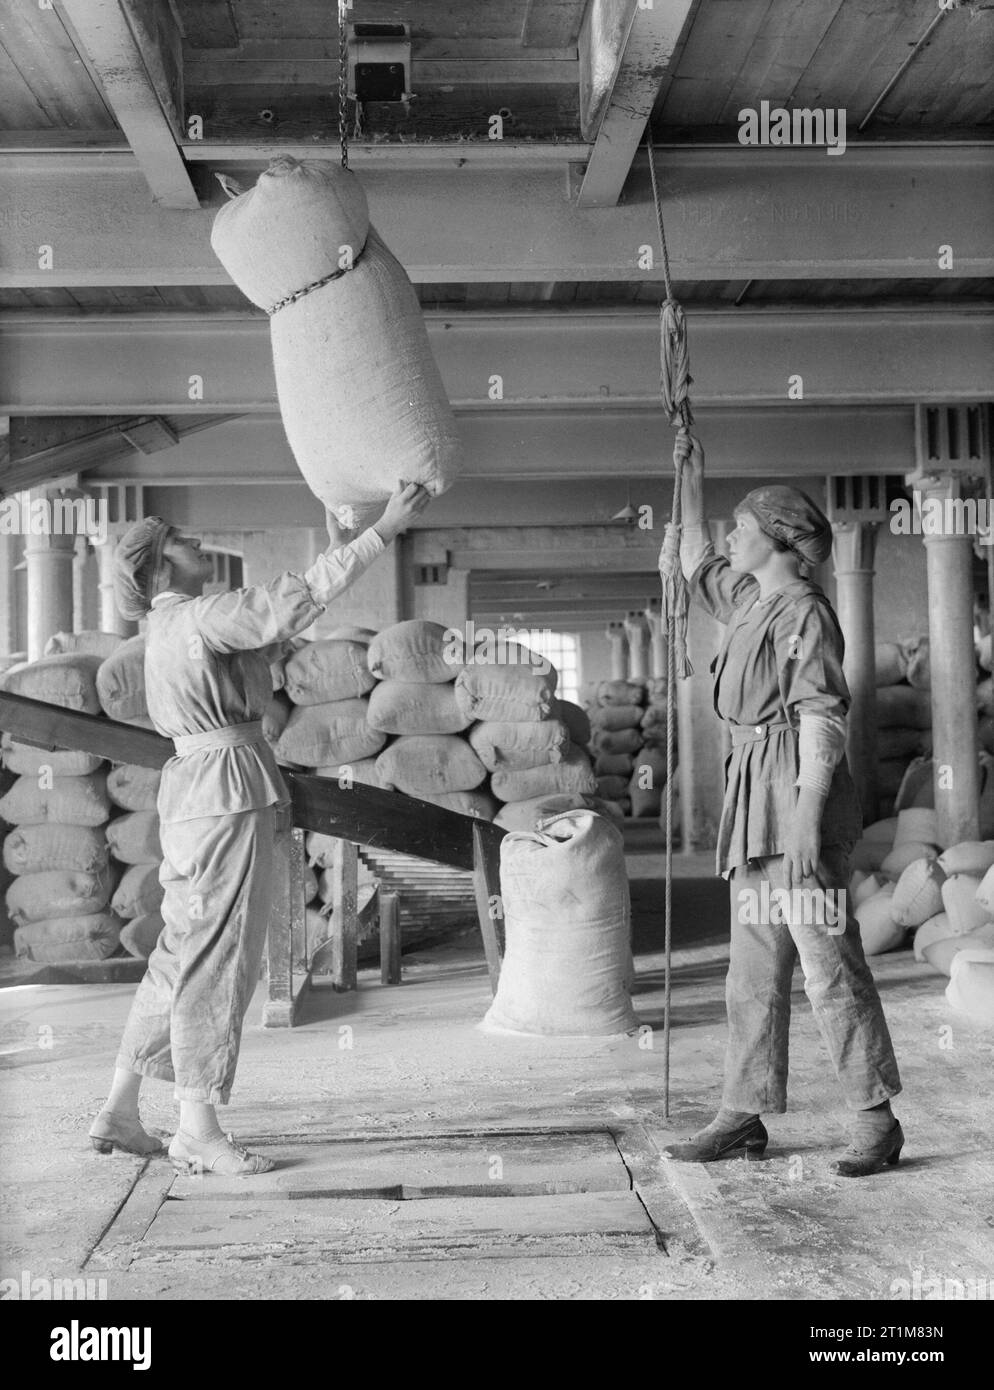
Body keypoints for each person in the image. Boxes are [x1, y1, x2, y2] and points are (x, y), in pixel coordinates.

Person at [89, 480, 430, 1175]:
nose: (195, 543)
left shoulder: (164, 628)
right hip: (228, 790)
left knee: (181, 948)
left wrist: (338, 546)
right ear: (159, 568)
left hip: (194, 794)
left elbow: (283, 614)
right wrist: (386, 527)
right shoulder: (201, 617)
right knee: (222, 952)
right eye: (180, 542)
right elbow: (289, 601)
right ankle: (197, 1127)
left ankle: (120, 1109)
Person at [659, 432, 904, 1178]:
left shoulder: (803, 613)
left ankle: (874, 1120)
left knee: (829, 964)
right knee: (752, 972)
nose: (731, 537)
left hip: (795, 798)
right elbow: (693, 562)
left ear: (776, 542)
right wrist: (691, 478)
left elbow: (823, 715)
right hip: (750, 802)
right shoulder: (750, 600)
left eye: (742, 527)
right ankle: (743, 1113)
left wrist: (806, 814)